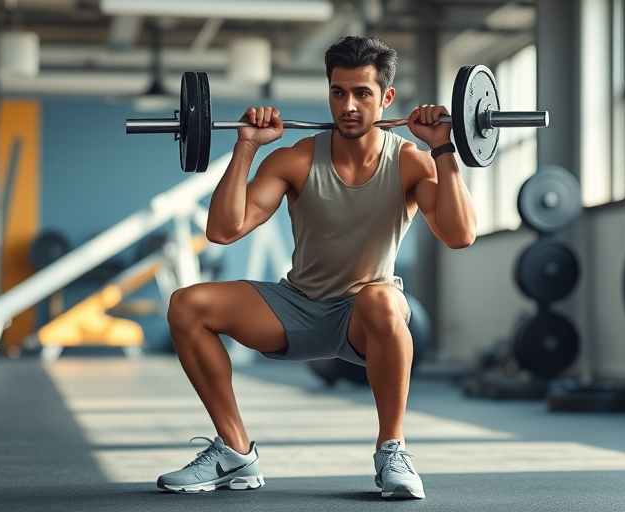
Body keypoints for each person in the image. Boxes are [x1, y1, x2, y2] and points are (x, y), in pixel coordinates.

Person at [157, 35, 477, 499]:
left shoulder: (410, 161)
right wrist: (246, 146)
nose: (348, 105)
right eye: (338, 92)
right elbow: (225, 230)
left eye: (362, 94)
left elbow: (460, 234)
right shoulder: (296, 158)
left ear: (387, 98)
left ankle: (392, 450)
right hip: (297, 306)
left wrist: (444, 149)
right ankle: (235, 452)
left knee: (383, 298)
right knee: (187, 305)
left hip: (365, 316)